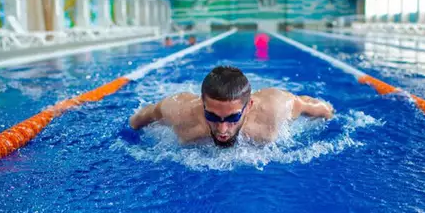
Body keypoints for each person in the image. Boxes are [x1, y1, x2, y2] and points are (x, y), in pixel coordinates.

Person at [129, 66, 334, 147]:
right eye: (213, 117)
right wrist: (132, 128)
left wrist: (328, 114)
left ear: (249, 106)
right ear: (202, 104)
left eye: (232, 118)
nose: (222, 129)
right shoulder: (179, 111)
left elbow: (318, 108)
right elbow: (141, 117)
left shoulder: (276, 108)